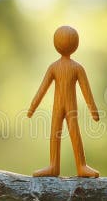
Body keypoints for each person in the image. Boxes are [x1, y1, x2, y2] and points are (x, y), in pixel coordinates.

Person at [27, 26, 100, 178]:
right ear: (76, 44)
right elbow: (87, 92)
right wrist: (93, 111)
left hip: (66, 107)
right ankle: (55, 166)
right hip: (62, 107)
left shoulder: (70, 68)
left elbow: (42, 89)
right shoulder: (67, 67)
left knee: (61, 133)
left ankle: (79, 166)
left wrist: (32, 107)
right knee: (65, 133)